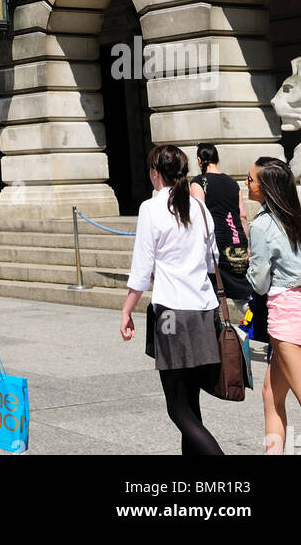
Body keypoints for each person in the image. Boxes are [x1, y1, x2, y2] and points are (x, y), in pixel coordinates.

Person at [121, 143, 223, 456]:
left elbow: (142, 267)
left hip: (171, 315)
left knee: (177, 408)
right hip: (204, 312)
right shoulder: (200, 208)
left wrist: (126, 310)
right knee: (191, 401)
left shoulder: (151, 209)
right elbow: (212, 259)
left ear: (155, 173)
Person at [247, 156, 301, 453]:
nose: (247, 184)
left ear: (266, 187)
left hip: (287, 312)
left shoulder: (263, 225)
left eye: (251, 179)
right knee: (271, 394)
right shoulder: (297, 215)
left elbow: (259, 283)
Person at [190, 143, 250, 310]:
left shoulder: (199, 182)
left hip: (215, 243)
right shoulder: (232, 182)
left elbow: (199, 216)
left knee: (214, 292)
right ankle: (254, 326)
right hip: (237, 239)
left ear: (199, 160)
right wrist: (247, 244)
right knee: (241, 293)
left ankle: (220, 332)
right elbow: (243, 215)